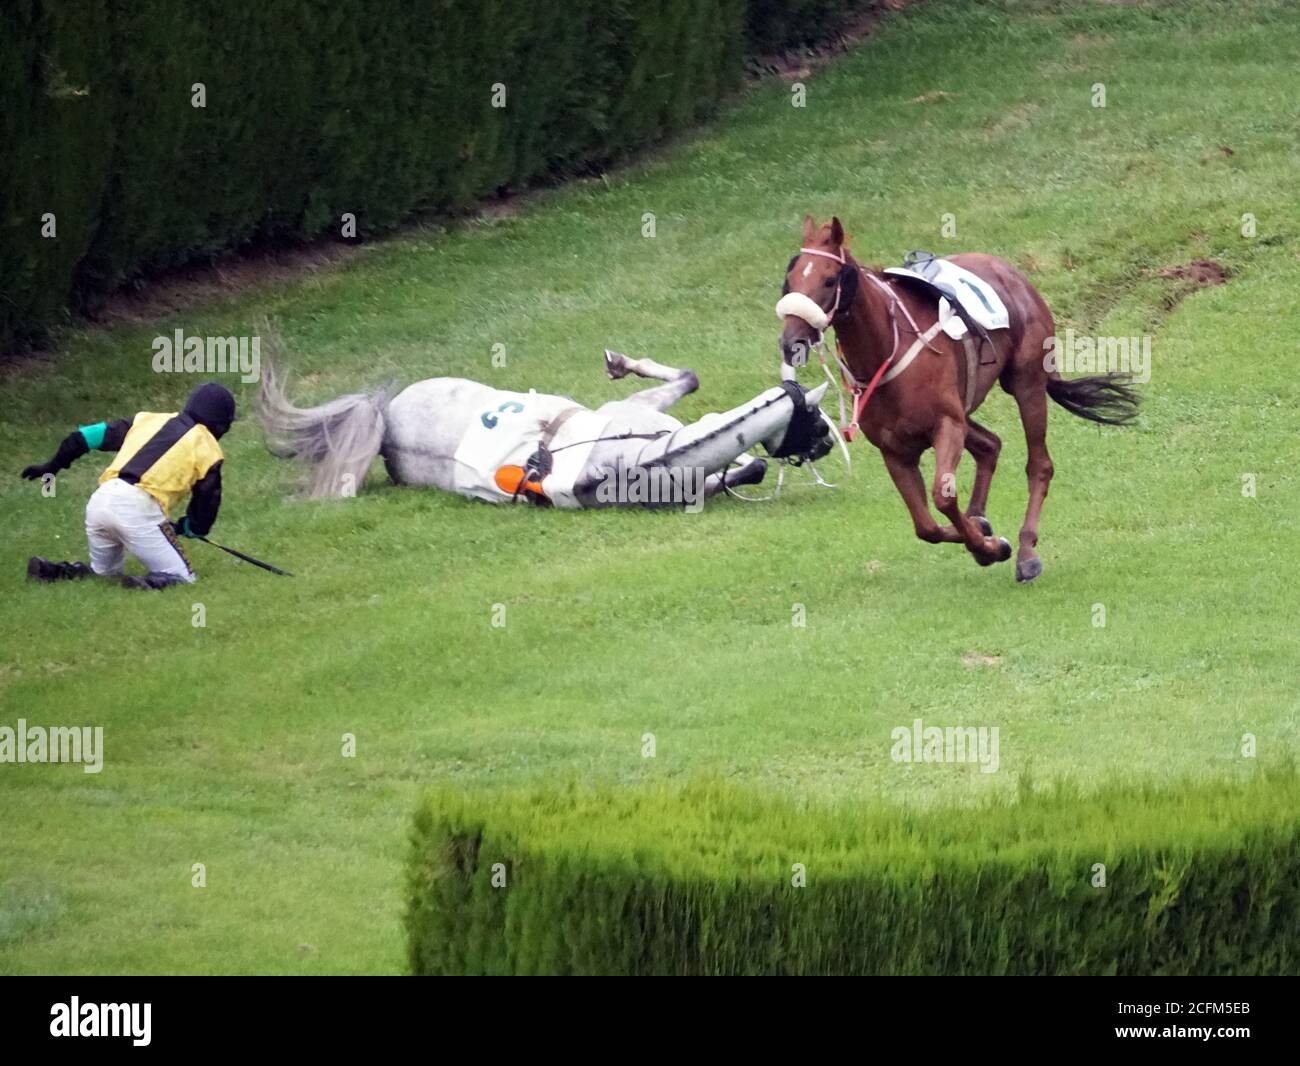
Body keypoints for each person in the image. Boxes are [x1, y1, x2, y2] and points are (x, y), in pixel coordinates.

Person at [22, 382, 236, 589]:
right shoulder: (208, 447)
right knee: (182, 578)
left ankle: (55, 571)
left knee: (105, 576)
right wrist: (191, 528)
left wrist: (51, 467)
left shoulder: (148, 420)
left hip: (100, 501)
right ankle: (145, 584)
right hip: (137, 509)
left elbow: (84, 437)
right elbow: (207, 501)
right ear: (221, 425)